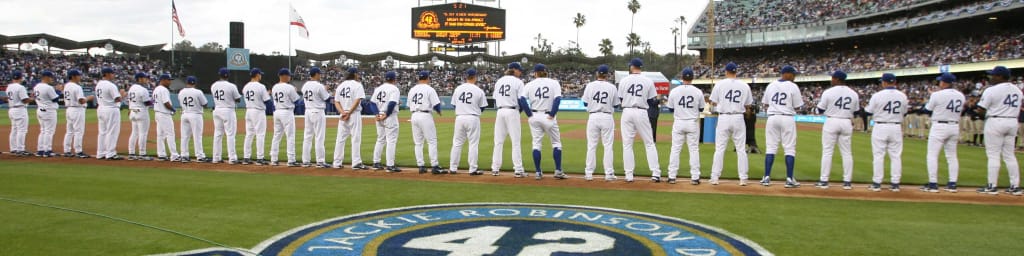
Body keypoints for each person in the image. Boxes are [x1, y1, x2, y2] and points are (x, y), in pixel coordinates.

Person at [975, 66, 1022, 195]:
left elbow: (981, 110)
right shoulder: (1017, 90)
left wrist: (981, 116)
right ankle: (1015, 186)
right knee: (1009, 155)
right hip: (1012, 121)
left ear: (1000, 76)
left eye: (994, 75)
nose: (991, 77)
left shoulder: (992, 90)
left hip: (996, 121)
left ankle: (992, 185)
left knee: (993, 154)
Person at [618, 58, 662, 183]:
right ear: (640, 67)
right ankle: (655, 173)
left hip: (627, 111)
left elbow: (620, 99)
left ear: (632, 67)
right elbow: (651, 101)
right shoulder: (648, 80)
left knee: (627, 144)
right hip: (641, 111)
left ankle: (629, 175)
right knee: (649, 143)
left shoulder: (624, 80)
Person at [708, 62, 753, 186]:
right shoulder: (744, 85)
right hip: (738, 117)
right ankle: (743, 178)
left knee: (720, 149)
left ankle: (715, 177)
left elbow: (714, 102)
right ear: (736, 71)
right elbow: (748, 105)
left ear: (726, 71)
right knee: (741, 149)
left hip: (724, 117)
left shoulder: (720, 84)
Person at [815, 70, 860, 190]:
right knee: (847, 152)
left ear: (837, 79)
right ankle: (847, 182)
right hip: (846, 121)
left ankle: (824, 180)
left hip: (832, 121)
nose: (831, 80)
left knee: (827, 151)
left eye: (833, 78)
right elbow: (856, 111)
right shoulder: (853, 93)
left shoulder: (829, 92)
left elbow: (820, 110)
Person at [759, 66, 803, 188]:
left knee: (771, 147)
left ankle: (766, 177)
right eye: (793, 74)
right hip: (787, 117)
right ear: (787, 74)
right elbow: (798, 106)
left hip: (773, 117)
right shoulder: (793, 86)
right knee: (789, 148)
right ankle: (789, 179)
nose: (794, 77)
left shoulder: (771, 85)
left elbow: (766, 103)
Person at [922, 72, 965, 193]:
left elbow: (927, 109)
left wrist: (931, 97)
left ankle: (933, 184)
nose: (939, 83)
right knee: (952, 156)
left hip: (939, 126)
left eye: (941, 81)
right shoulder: (960, 95)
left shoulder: (937, 95)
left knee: (932, 155)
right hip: (954, 126)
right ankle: (952, 183)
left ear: (945, 82)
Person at [864, 73, 908, 192]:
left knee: (878, 155)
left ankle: (877, 183)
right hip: (896, 127)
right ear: (894, 82)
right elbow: (905, 112)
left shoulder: (877, 95)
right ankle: (895, 184)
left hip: (880, 126)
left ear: (884, 82)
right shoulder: (902, 96)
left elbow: (868, 111)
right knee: (896, 156)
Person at [522, 64, 565, 180]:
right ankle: (558, 170)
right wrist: (552, 113)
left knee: (536, 144)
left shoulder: (530, 84)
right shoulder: (553, 83)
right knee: (556, 143)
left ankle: (538, 172)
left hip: (534, 115)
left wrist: (529, 114)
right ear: (545, 72)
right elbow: (557, 99)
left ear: (535, 73)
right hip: (548, 115)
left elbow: (521, 99)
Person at [666, 68, 705, 185]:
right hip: (692, 122)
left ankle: (672, 176)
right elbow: (702, 108)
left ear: (682, 78)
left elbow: (670, 109)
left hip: (679, 122)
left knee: (675, 149)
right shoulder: (698, 91)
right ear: (692, 78)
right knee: (693, 150)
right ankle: (695, 177)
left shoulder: (674, 91)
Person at [581, 65, 620, 181]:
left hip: (593, 116)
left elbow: (584, 103)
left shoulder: (590, 85)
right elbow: (616, 104)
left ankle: (588, 173)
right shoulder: (612, 87)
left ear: (597, 73)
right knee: (608, 146)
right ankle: (609, 174)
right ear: (607, 75)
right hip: (607, 117)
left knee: (591, 146)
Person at [491, 62, 528, 177]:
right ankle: (518, 169)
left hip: (500, 111)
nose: (520, 72)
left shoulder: (499, 81)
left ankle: (495, 168)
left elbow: (495, 98)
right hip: (512, 111)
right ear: (514, 70)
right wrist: (525, 112)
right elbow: (522, 100)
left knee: (498, 141)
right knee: (515, 142)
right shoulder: (518, 82)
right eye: (519, 70)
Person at [450, 68, 488, 175]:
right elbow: (483, 107)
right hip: (472, 117)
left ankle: (453, 168)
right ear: (475, 77)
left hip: (460, 117)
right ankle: (472, 169)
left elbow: (453, 105)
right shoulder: (478, 90)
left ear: (466, 77)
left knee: (457, 143)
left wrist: (462, 110)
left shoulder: (458, 89)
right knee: (473, 144)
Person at [407, 70, 444, 174]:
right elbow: (436, 105)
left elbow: (408, 105)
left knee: (418, 143)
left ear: (419, 78)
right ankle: (434, 166)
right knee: (431, 141)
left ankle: (421, 166)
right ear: (428, 78)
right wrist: (439, 112)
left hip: (414, 115)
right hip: (425, 115)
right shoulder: (429, 89)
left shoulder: (412, 89)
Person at [332, 67, 369, 170]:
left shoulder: (340, 86)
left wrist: (343, 112)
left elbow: (336, 101)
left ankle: (336, 162)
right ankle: (356, 162)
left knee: (340, 139)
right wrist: (349, 113)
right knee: (355, 138)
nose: (358, 75)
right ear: (355, 74)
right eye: (357, 74)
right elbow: (357, 101)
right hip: (353, 114)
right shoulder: (357, 85)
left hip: (343, 115)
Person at [371, 71, 402, 173]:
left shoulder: (378, 88)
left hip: (379, 115)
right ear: (394, 79)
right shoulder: (394, 89)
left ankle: (376, 163)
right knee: (391, 141)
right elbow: (392, 103)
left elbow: (372, 103)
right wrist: (387, 114)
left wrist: (376, 114)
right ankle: (390, 165)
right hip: (389, 116)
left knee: (380, 139)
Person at [301, 67, 331, 168]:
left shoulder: (305, 85)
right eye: (319, 74)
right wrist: (326, 90)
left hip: (308, 111)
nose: (320, 75)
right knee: (319, 137)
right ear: (316, 74)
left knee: (307, 136)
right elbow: (327, 99)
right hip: (317, 111)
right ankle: (320, 161)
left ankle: (305, 160)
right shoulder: (319, 86)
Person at [210, 68, 242, 164]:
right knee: (230, 134)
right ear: (228, 75)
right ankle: (232, 158)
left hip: (217, 109)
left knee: (218, 134)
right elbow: (238, 99)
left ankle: (216, 158)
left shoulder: (214, 85)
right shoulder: (231, 86)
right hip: (228, 110)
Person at [270, 68, 301, 167]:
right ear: (284, 76)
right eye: (288, 75)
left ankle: (273, 159)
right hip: (286, 112)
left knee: (276, 136)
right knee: (290, 136)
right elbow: (297, 101)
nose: (290, 77)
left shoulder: (274, 87)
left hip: (277, 112)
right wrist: (295, 91)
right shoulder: (289, 87)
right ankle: (291, 160)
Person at [241, 68, 272, 165]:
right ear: (257, 75)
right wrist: (268, 94)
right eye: (260, 74)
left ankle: (246, 157)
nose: (261, 76)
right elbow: (267, 101)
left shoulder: (245, 87)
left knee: (249, 134)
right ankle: (260, 158)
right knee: (260, 134)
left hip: (249, 111)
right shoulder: (261, 86)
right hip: (258, 111)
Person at [62, 69, 93, 158]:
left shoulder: (66, 85)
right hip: (77, 109)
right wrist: (89, 98)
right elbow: (81, 101)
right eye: (78, 75)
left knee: (69, 131)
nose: (80, 77)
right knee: (78, 131)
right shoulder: (76, 87)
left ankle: (67, 150)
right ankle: (78, 151)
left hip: (69, 109)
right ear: (73, 76)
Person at [95, 67, 124, 160]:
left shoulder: (98, 84)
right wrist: (122, 95)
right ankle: (110, 153)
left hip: (101, 108)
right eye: (112, 73)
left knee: (102, 132)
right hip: (111, 109)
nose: (113, 75)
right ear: (107, 74)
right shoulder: (110, 85)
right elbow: (117, 99)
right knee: (112, 131)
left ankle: (101, 152)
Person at [178, 76, 209, 163]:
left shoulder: (181, 92)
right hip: (195, 114)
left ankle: (184, 155)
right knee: (197, 136)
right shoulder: (198, 92)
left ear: (186, 82)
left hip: (184, 114)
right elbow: (205, 104)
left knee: (184, 136)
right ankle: (200, 156)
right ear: (194, 83)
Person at [126, 72, 154, 161]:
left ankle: (131, 153)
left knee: (134, 133)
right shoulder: (143, 90)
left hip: (132, 111)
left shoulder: (131, 88)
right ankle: (142, 153)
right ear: (140, 79)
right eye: (144, 78)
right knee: (143, 133)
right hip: (141, 112)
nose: (146, 79)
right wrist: (153, 101)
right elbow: (147, 103)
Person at [33, 70, 60, 157]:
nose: (52, 79)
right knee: (49, 131)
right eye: (51, 77)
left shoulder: (36, 86)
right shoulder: (48, 87)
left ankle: (40, 150)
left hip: (40, 109)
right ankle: (47, 150)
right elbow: (55, 99)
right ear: (46, 77)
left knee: (43, 130)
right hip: (49, 111)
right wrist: (59, 91)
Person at [152, 74, 178, 161]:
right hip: (164, 114)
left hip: (157, 113)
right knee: (170, 134)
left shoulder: (156, 89)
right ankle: (174, 155)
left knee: (160, 135)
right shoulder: (163, 90)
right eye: (168, 80)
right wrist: (173, 109)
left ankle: (161, 154)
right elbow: (166, 103)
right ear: (162, 80)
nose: (170, 82)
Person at [5, 71, 31, 156]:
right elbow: (24, 100)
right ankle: (20, 149)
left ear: (13, 78)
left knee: (14, 129)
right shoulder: (20, 87)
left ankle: (13, 148)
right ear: (20, 78)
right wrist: (32, 99)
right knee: (22, 130)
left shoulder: (8, 87)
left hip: (12, 109)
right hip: (19, 109)